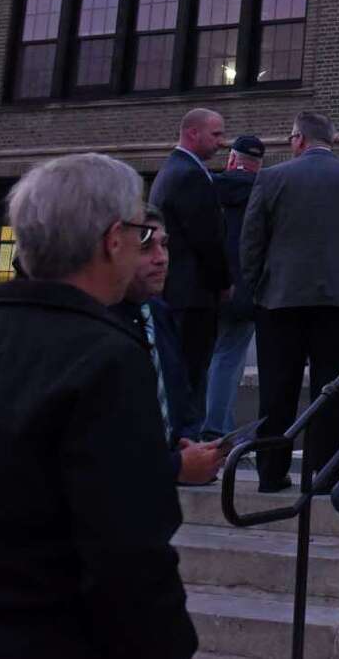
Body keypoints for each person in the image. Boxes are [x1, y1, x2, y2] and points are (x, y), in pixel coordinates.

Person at [0, 153, 197, 659]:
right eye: (141, 233)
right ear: (112, 239)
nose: (147, 248)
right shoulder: (108, 360)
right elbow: (128, 547)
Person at [241, 110, 339, 493]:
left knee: (276, 391)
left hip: (279, 299)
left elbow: (252, 240)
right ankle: (324, 473)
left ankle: (271, 473)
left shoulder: (271, 178)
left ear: (299, 139)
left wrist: (257, 286)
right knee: (331, 390)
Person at [112, 209, 227, 486]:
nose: (161, 258)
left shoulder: (160, 314)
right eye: (146, 247)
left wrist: (187, 443)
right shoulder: (99, 326)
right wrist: (173, 467)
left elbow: (179, 393)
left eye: (164, 245)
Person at [149, 106, 231, 438]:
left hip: (178, 293)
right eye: (216, 134)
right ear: (192, 133)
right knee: (190, 377)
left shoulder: (171, 170)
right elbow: (207, 238)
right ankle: (187, 446)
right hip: (193, 295)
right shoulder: (190, 176)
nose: (222, 142)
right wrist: (223, 282)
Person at [202, 132, 264, 441]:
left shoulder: (209, 187)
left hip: (208, 286)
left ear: (231, 159)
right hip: (246, 290)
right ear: (258, 164)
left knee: (207, 357)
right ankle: (217, 430)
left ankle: (203, 426)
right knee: (229, 359)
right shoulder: (264, 192)